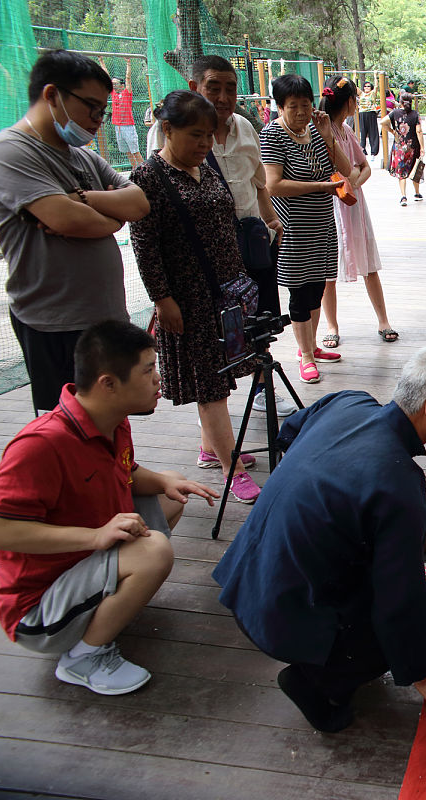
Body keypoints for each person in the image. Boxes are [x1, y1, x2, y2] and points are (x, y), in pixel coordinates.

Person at [212, 344, 426, 732]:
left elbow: (289, 432)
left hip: (243, 582)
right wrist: (422, 675)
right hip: (281, 617)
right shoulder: (397, 484)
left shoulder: (348, 402)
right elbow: (398, 601)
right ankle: (317, 683)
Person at [0, 320, 218, 696]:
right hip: (39, 611)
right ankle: (83, 659)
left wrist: (164, 482)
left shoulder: (112, 420)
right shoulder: (41, 444)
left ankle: (107, 605)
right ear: (108, 383)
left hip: (79, 567)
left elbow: (125, 470)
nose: (158, 379)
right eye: (148, 371)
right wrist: (95, 537)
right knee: (154, 550)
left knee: (166, 492)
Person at [0, 49, 150, 416]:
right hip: (54, 324)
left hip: (105, 319)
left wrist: (82, 199)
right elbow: (67, 220)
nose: (98, 120)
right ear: (52, 96)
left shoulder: (83, 157)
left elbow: (139, 203)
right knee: (67, 434)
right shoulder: (8, 150)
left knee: (112, 424)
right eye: (91, 108)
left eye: (102, 111)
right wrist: (109, 215)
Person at [130, 90, 264, 502]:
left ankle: (212, 447)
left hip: (226, 293)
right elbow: (144, 245)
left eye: (209, 135)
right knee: (210, 385)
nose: (205, 144)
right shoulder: (149, 178)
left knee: (223, 375)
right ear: (166, 129)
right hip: (187, 299)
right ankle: (230, 467)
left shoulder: (206, 167)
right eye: (195, 135)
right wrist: (162, 299)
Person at [148, 56, 288, 415]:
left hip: (250, 242)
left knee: (259, 319)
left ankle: (261, 386)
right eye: (214, 87)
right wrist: (163, 294)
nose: (223, 96)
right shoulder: (168, 137)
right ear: (195, 87)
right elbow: (155, 213)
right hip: (201, 254)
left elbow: (260, 184)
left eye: (230, 88)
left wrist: (272, 224)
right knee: (210, 339)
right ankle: (211, 421)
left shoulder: (244, 128)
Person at [261, 73, 352, 384]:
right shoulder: (273, 135)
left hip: (323, 226)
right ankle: (305, 356)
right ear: (280, 107)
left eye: (306, 105)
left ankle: (311, 346)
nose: (301, 112)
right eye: (293, 106)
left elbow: (346, 169)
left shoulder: (315, 129)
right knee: (300, 293)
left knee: (316, 290)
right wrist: (319, 187)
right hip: (294, 229)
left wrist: (328, 135)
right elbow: (273, 185)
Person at [318, 76, 398, 344]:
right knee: (329, 269)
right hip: (332, 205)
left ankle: (383, 320)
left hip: (354, 204)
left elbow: (364, 167)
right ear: (351, 101)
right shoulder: (322, 130)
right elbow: (349, 170)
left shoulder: (346, 129)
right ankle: (332, 326)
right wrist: (352, 179)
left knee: (370, 264)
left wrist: (353, 182)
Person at [387, 93, 425, 205]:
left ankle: (403, 196)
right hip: (413, 146)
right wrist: (422, 147)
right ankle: (417, 193)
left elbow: (383, 122)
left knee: (401, 171)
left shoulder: (395, 113)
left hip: (399, 146)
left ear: (400, 101)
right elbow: (419, 131)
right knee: (415, 168)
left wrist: (393, 132)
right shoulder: (415, 114)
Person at [107, 59, 142, 168]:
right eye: (113, 84)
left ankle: (144, 169)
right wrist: (101, 61)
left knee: (135, 151)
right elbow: (107, 77)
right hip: (118, 126)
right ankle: (134, 169)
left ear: (122, 85)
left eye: (116, 83)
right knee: (127, 151)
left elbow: (128, 78)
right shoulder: (113, 94)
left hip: (128, 126)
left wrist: (128, 63)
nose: (114, 85)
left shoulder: (126, 93)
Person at [357, 81, 381, 158]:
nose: (367, 88)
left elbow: (377, 86)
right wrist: (354, 75)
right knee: (363, 132)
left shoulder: (373, 94)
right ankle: (362, 150)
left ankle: (373, 152)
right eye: (365, 86)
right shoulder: (361, 94)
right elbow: (354, 87)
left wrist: (375, 75)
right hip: (362, 113)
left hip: (371, 113)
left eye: (368, 86)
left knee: (373, 132)